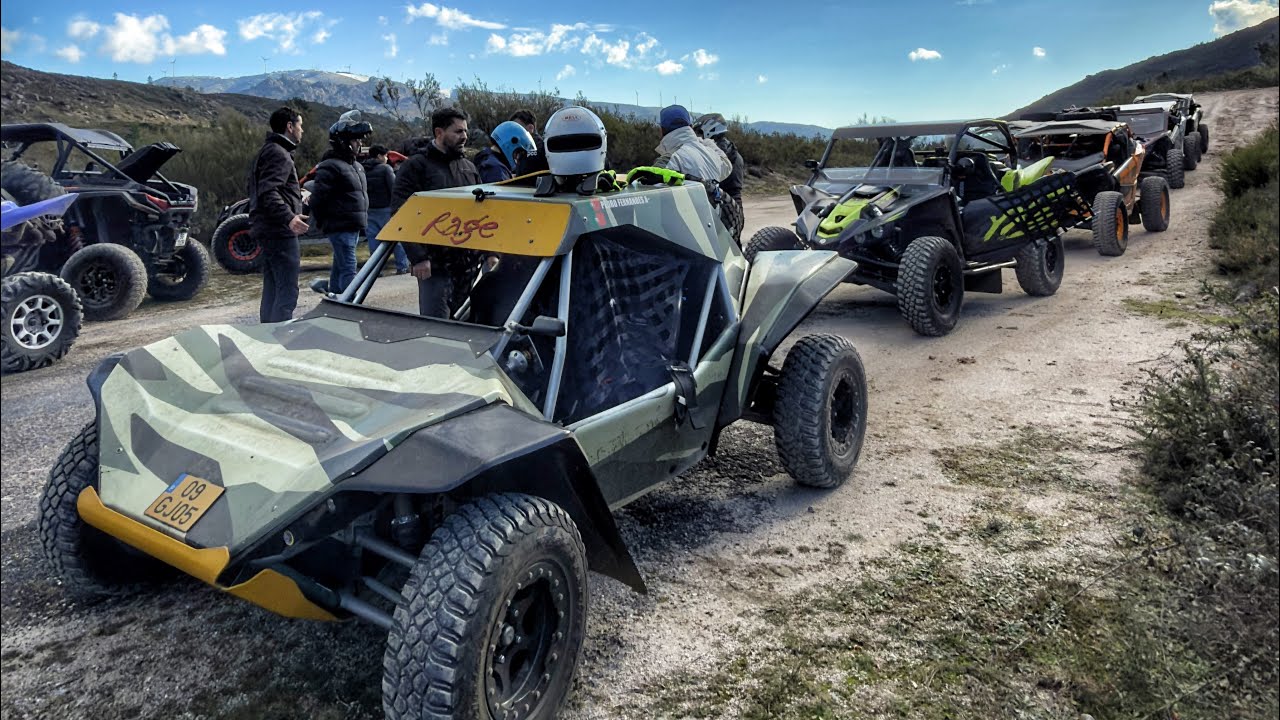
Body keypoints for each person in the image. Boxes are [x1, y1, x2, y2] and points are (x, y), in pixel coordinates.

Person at [391, 107, 482, 318]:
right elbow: (400, 212)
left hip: (467, 266)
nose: (464, 137)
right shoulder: (416, 167)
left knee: (466, 327)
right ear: (439, 133)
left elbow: (483, 211)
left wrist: (491, 253)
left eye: (465, 131)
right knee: (436, 329)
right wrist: (418, 256)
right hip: (434, 266)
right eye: (458, 132)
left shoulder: (469, 168)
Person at [248, 106, 308, 323]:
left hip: (268, 229)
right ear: (290, 126)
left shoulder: (269, 150)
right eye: (300, 125)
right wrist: (289, 217)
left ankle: (267, 336)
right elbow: (268, 192)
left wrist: (297, 197)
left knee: (273, 288)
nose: (302, 131)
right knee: (287, 291)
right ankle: (279, 338)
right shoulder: (279, 153)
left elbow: (271, 189)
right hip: (279, 231)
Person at [310, 110, 371, 294]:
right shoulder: (330, 166)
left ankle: (335, 296)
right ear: (344, 142)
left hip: (352, 226)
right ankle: (350, 305)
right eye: (355, 140)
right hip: (339, 226)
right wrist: (324, 222)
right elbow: (318, 198)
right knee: (349, 268)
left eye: (360, 140)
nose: (359, 144)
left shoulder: (356, 166)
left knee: (340, 265)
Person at [362, 144, 409, 273]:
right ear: (379, 156)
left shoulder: (362, 169)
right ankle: (402, 266)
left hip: (369, 209)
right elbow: (394, 189)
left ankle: (376, 270)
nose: (387, 158)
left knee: (374, 240)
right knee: (395, 238)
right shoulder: (385, 169)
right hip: (386, 209)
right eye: (385, 156)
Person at [653, 105, 731, 183]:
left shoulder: (670, 158)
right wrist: (705, 142)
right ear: (690, 126)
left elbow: (651, 181)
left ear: (662, 130)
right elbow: (727, 166)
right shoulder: (711, 153)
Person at [693, 112, 745, 202]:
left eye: (699, 132)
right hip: (733, 207)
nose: (698, 136)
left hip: (718, 205)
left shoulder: (713, 153)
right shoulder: (733, 152)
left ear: (708, 130)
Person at [510, 109, 549, 176]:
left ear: (530, 128)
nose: (513, 133)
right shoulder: (523, 148)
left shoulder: (537, 147)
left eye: (516, 128)